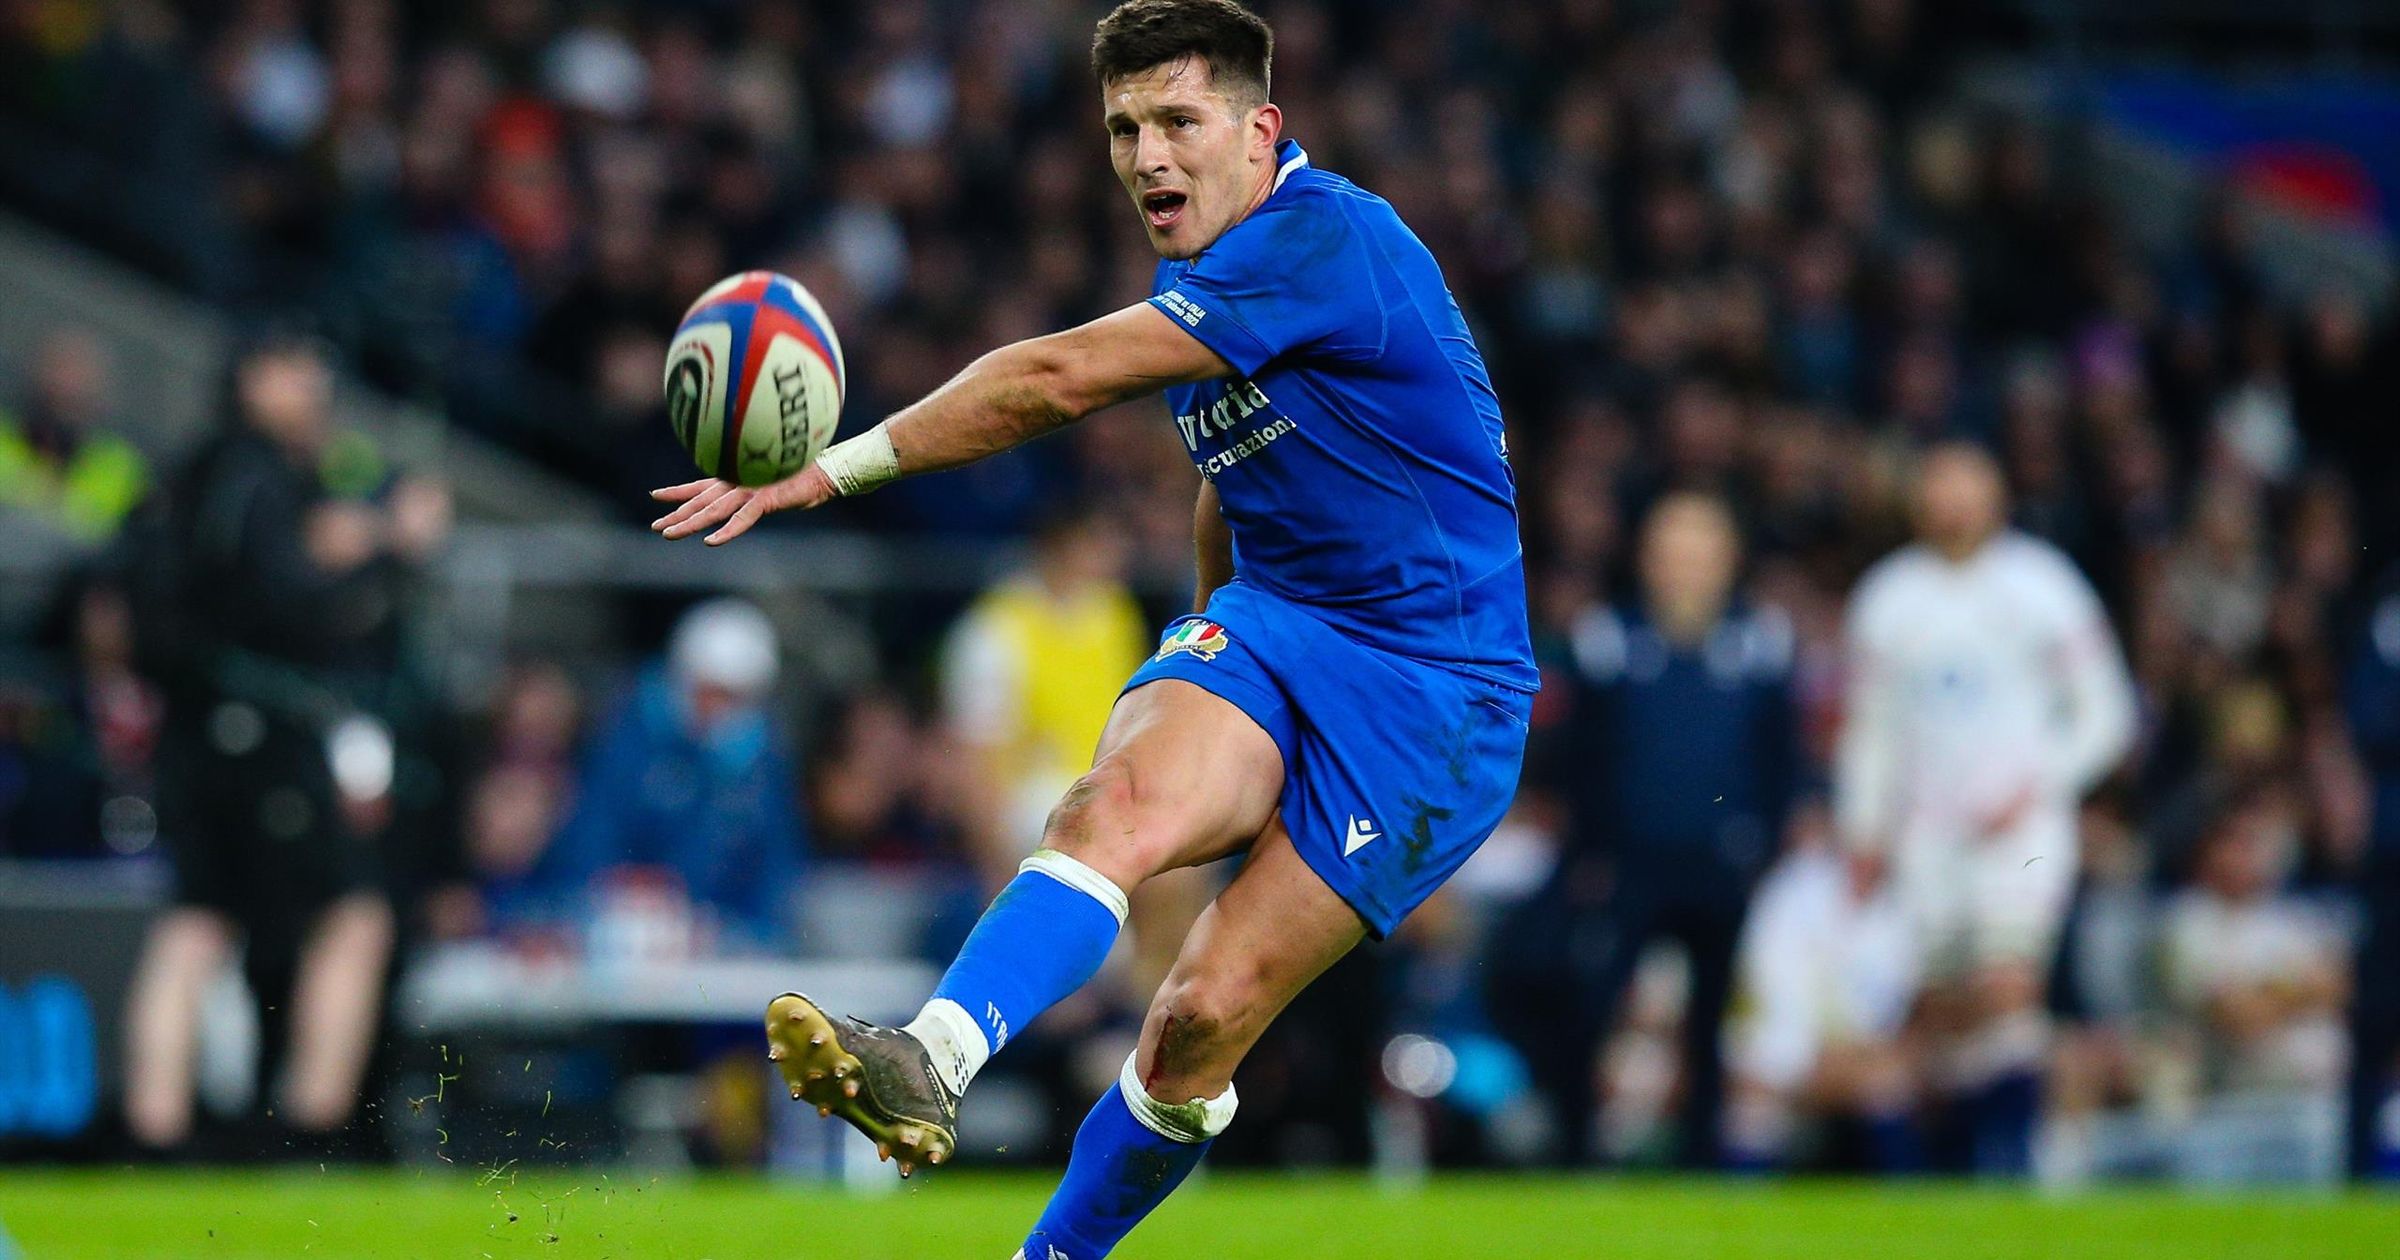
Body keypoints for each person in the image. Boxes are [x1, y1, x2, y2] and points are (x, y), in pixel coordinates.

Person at [651, 2, 1533, 1253]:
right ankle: (929, 1059)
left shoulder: (1324, 239)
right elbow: (1233, 479)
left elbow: (1053, 381)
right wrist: (1205, 656)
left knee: (1197, 1024)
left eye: (1180, 121)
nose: (1148, 156)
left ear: (1258, 130)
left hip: (1437, 696)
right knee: (1105, 809)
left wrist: (825, 472)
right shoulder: (1207, 271)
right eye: (1125, 128)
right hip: (1279, 626)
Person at [120, 329, 449, 1153]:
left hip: (201, 730)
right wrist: (381, 542)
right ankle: (310, 1132)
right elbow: (287, 605)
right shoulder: (255, 477)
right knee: (353, 916)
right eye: (299, 367)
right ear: (256, 375)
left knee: (197, 922)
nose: (316, 386)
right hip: (257, 733)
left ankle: (153, 1130)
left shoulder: (198, 472)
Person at [1836, 442, 2136, 1175]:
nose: (1953, 505)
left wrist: (2040, 782)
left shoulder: (2043, 585)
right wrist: (1863, 830)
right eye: (1939, 489)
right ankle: (1972, 1172)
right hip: (1927, 833)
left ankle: (2031, 1164)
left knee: (2010, 986)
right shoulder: (1887, 597)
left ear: (1997, 495)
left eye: (1967, 488)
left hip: (2019, 829)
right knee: (1943, 1008)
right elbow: (1869, 729)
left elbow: (2108, 711)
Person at [1493, 492, 1798, 1167]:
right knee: (1593, 1003)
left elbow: (1781, 759)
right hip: (1626, 862)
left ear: (1729, 559)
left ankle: (1703, 1156)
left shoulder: (1761, 643)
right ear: (1648, 559)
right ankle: (1575, 1148)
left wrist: (1766, 845)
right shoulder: (1608, 639)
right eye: (1674, 548)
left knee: (1714, 1020)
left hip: (1723, 862)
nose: (1688, 564)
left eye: (1702, 548)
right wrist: (1585, 854)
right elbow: (1579, 758)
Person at [488, 599, 808, 952]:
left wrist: (733, 930)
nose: (714, 709)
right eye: (706, 692)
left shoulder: (763, 768)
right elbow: (591, 831)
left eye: (729, 697)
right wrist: (616, 893)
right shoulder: (625, 737)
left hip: (713, 943)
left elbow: (773, 873)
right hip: (607, 927)